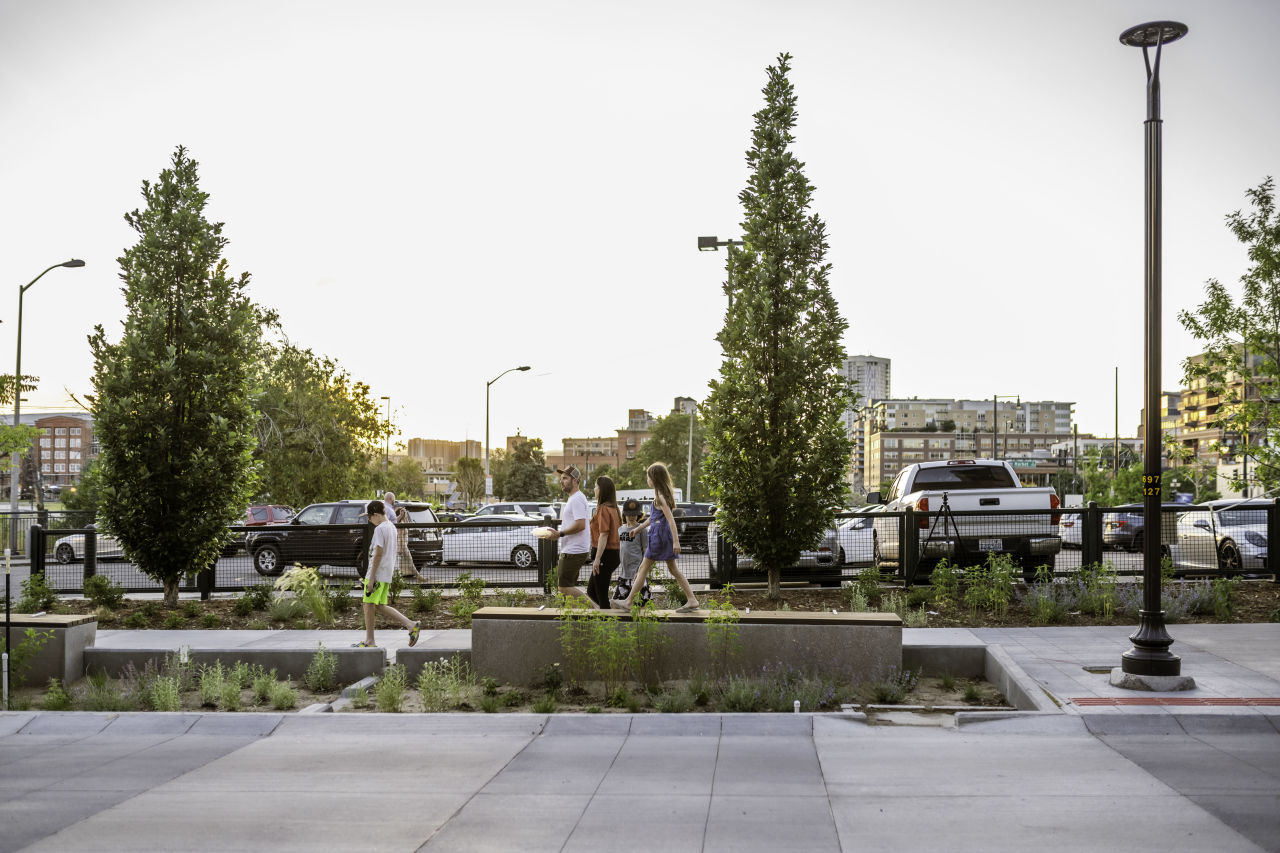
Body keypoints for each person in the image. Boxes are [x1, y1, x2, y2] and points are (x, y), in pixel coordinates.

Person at [611, 462, 700, 613]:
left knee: (643, 567)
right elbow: (653, 518)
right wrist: (638, 529)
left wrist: (676, 542)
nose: (647, 479)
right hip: (661, 535)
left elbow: (671, 519)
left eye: (648, 476)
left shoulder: (660, 497)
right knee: (672, 569)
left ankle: (628, 601)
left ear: (654, 478)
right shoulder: (660, 496)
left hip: (659, 537)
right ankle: (691, 599)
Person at [354, 499, 421, 648]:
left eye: (369, 517)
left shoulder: (380, 529)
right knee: (377, 606)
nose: (369, 520)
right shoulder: (391, 527)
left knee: (368, 604)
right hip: (386, 575)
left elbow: (378, 554)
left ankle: (370, 641)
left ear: (376, 514)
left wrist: (370, 579)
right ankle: (411, 624)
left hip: (377, 574)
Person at [551, 465, 597, 605]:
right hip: (572, 548)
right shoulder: (574, 498)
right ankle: (575, 617)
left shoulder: (577, 498)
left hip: (574, 550)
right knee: (567, 588)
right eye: (561, 478)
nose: (561, 481)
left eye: (565, 478)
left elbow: (581, 525)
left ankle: (595, 611)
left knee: (564, 587)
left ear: (575, 480)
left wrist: (560, 533)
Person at [586, 475, 621, 609]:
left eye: (596, 486)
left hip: (605, 554)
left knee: (601, 594)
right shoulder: (613, 508)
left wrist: (597, 559)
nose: (594, 489)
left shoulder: (603, 509)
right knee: (592, 591)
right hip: (612, 554)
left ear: (602, 490)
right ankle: (609, 612)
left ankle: (608, 621)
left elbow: (604, 534)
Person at [613, 497, 651, 606]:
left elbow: (645, 551)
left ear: (639, 515)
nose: (631, 517)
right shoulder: (621, 529)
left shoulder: (641, 530)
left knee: (641, 604)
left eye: (634, 514)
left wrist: (641, 570)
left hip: (637, 573)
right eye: (629, 514)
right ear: (624, 514)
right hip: (624, 574)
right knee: (616, 603)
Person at [384, 491, 424, 581]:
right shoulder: (396, 520)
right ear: (391, 498)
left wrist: (404, 516)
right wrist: (401, 548)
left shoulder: (400, 520)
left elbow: (407, 526)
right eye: (393, 499)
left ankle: (413, 577)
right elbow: (397, 532)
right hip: (401, 545)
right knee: (405, 563)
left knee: (404, 563)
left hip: (402, 544)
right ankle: (416, 577)